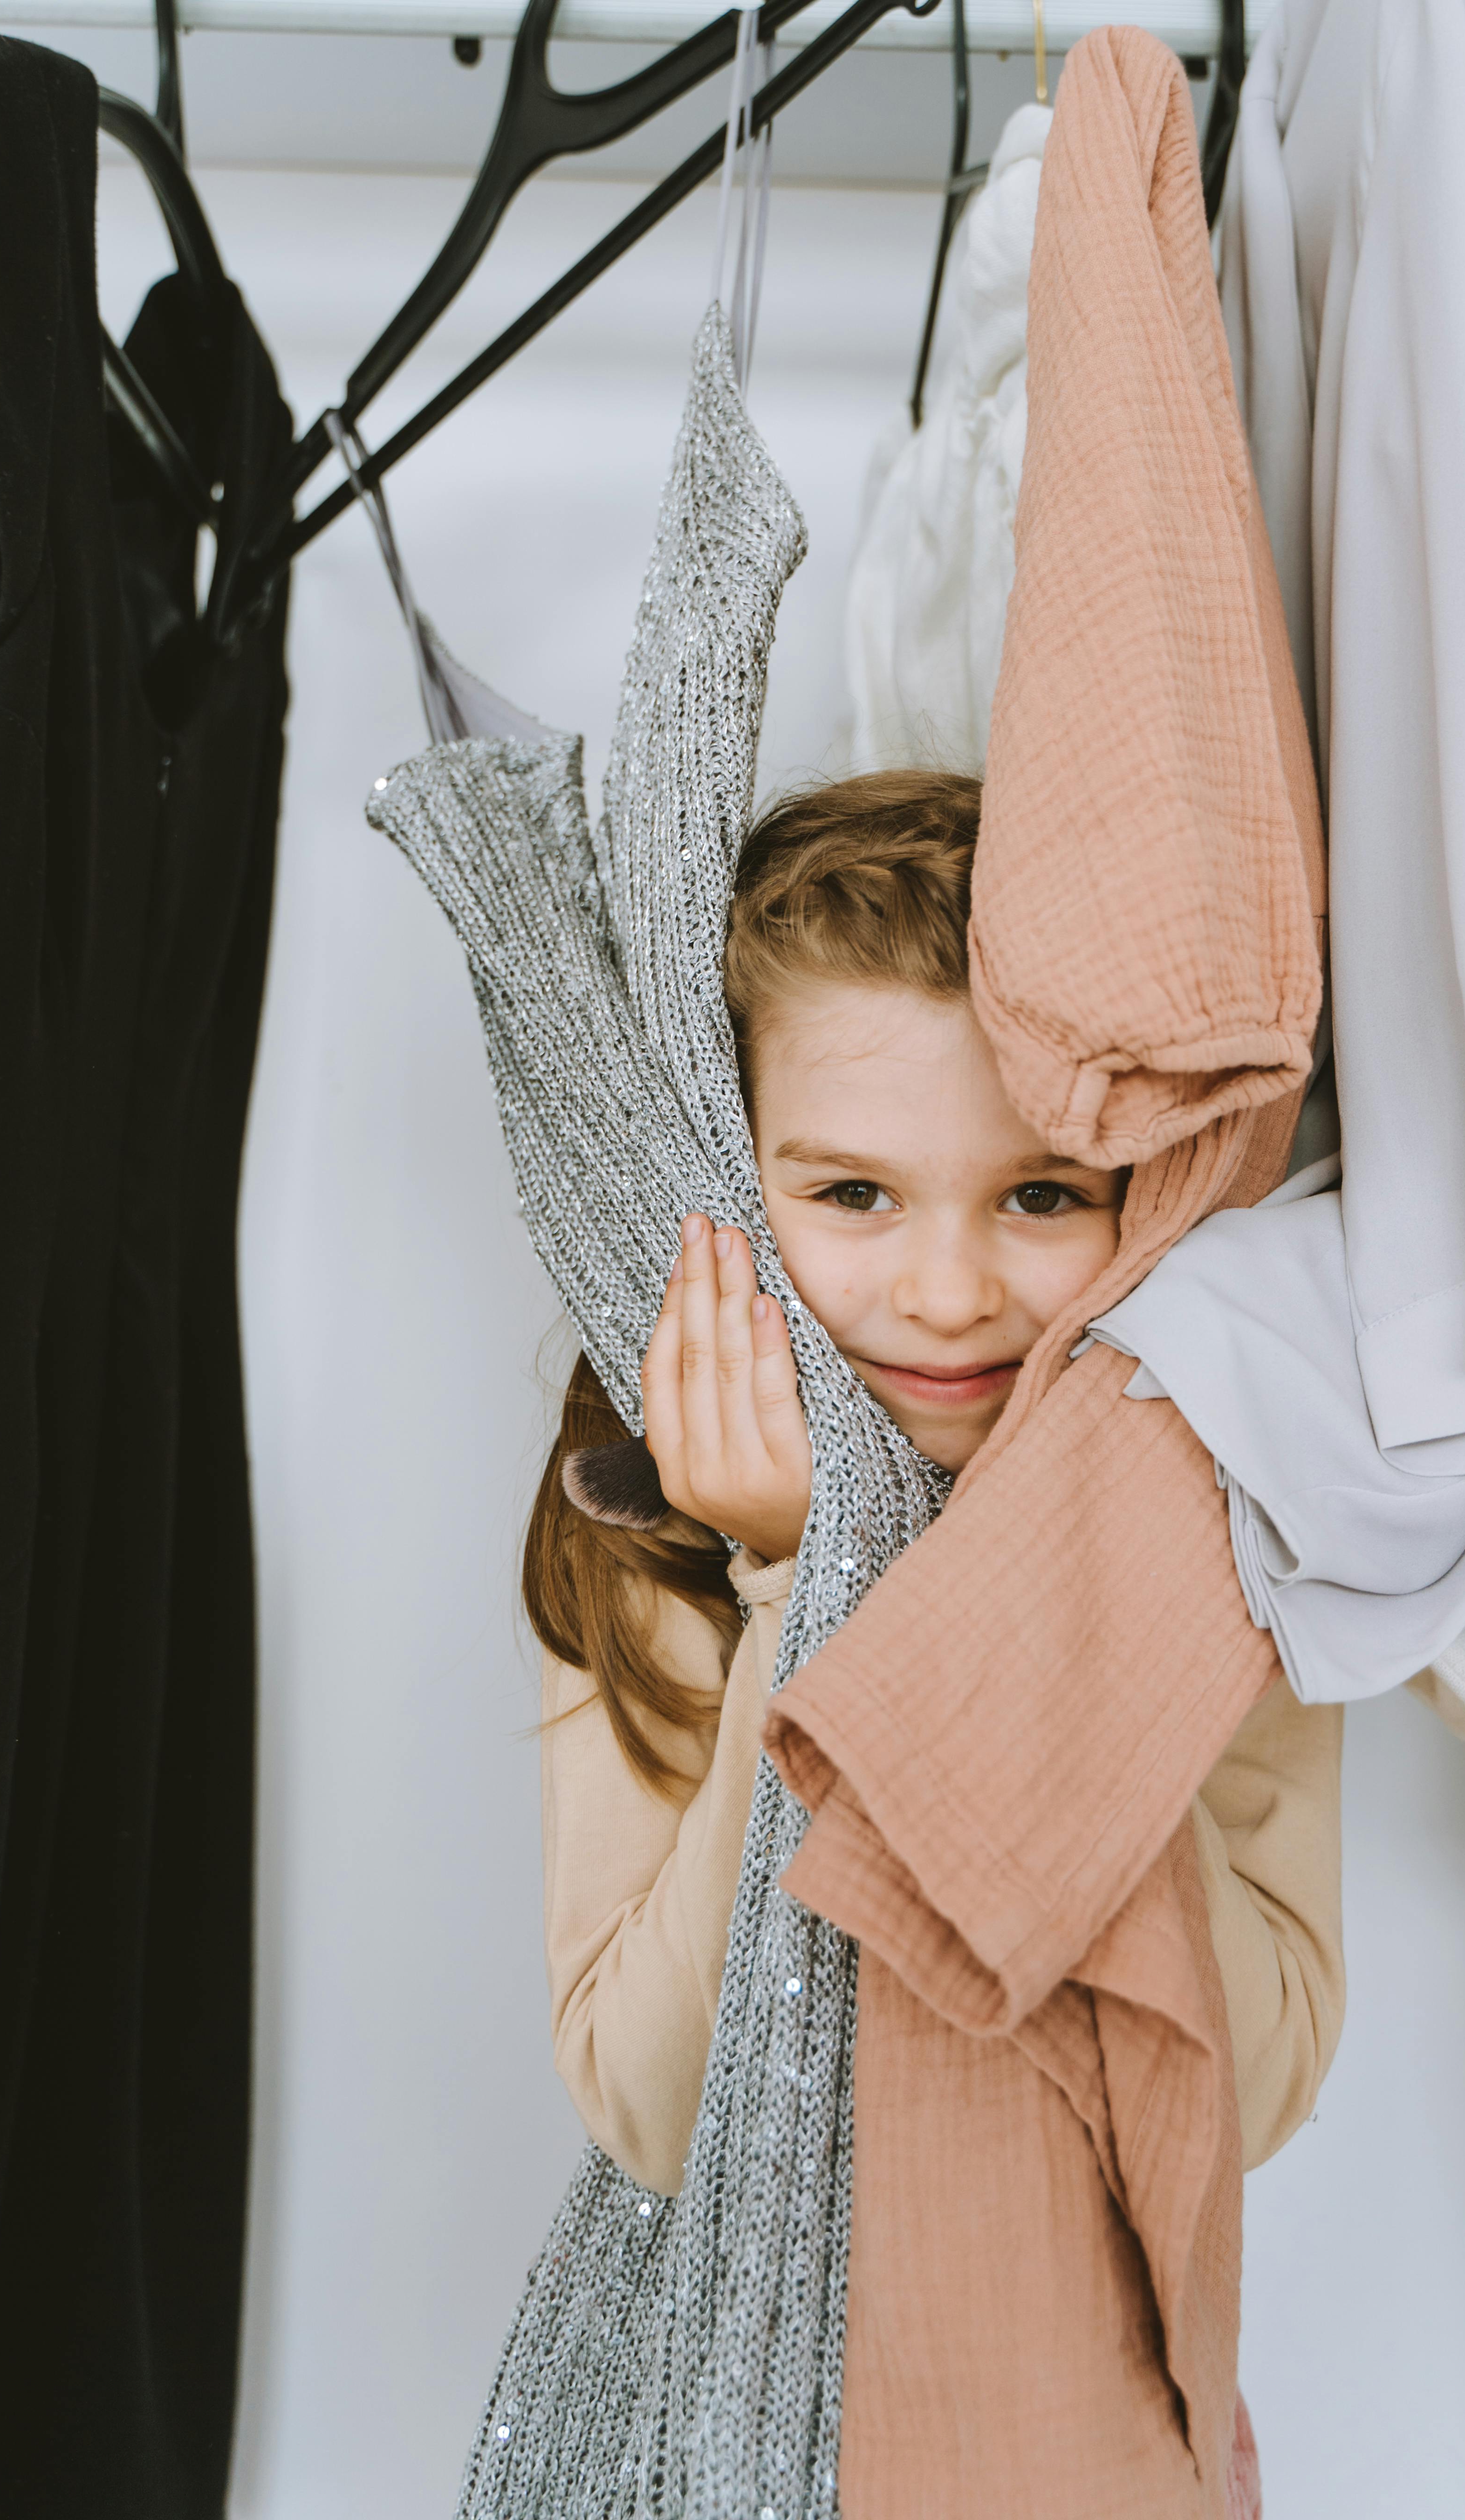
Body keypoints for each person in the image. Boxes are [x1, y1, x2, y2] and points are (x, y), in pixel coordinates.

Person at [524, 768, 1344, 2208]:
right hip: (735, 2406)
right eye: (852, 1195)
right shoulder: (640, 1532)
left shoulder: (1233, 1502)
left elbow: (1255, 2088)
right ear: (728, 1182)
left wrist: (1051, 1560)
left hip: (1089, 2396)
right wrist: (803, 1582)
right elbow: (654, 2115)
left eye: (1040, 1196)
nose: (951, 1295)